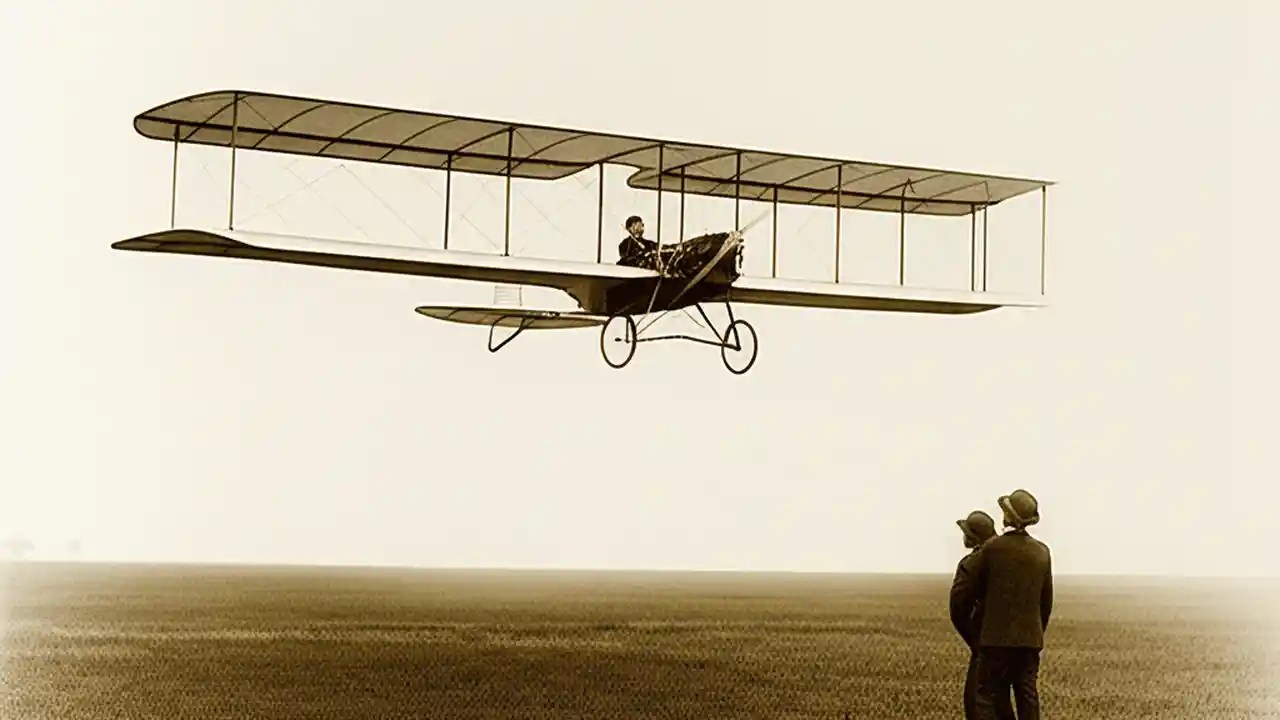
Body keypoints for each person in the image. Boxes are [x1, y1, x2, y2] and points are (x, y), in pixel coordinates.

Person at [952, 489, 1054, 720]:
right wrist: (1034, 634)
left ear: (1008, 516)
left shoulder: (991, 549)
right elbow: (1045, 603)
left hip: (994, 642)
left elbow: (964, 595)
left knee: (985, 697)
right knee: (1027, 697)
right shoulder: (1042, 552)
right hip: (1030, 642)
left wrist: (975, 636)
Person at [950, 510, 1014, 720]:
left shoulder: (972, 562)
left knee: (977, 703)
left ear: (973, 537)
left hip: (985, 643)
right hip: (1012, 644)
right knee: (1001, 702)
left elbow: (958, 609)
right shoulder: (1007, 561)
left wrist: (975, 639)